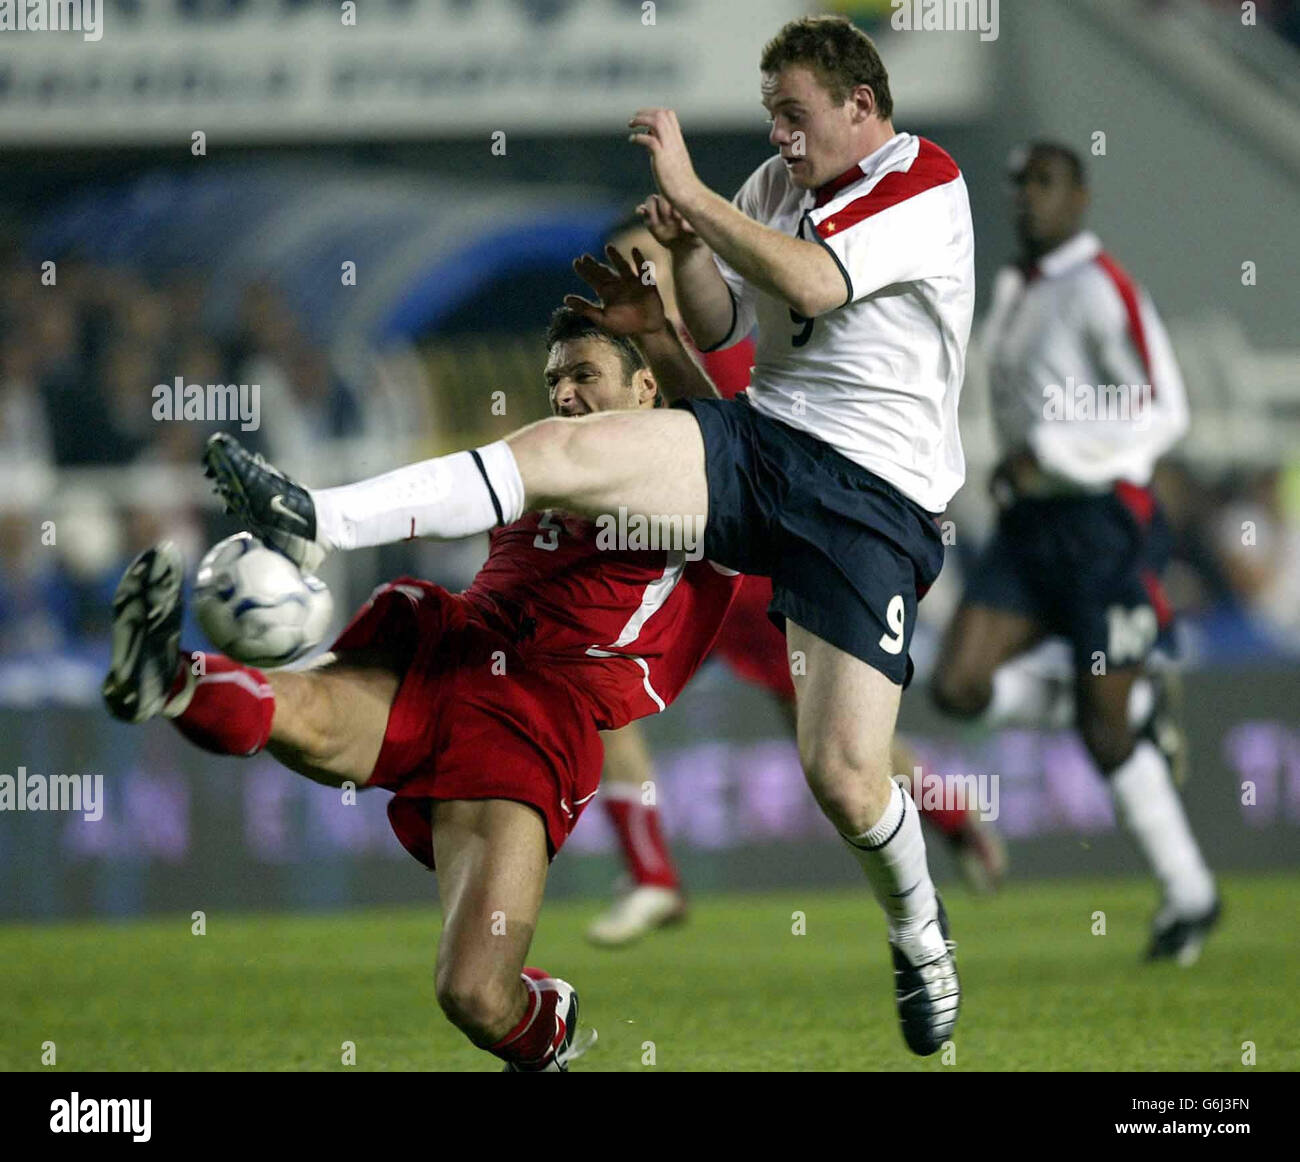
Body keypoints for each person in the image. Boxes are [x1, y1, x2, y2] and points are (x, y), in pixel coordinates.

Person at [203, 15, 973, 1055]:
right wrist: (686, 265)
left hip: (875, 499)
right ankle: (318, 516)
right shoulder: (776, 187)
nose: (782, 137)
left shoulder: (925, 180)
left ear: (861, 107)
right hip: (766, 446)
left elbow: (811, 284)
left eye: (795, 115)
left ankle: (919, 930)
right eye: (770, 118)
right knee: (562, 452)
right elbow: (725, 326)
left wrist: (694, 198)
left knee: (842, 772)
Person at [103, 308, 740, 1071]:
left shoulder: (700, 496)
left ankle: (547, 1030)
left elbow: (737, 452)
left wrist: (670, 342)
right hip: (453, 648)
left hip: (539, 716)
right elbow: (458, 494)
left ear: (644, 389)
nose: (565, 395)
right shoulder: (544, 468)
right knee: (293, 711)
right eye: (554, 381)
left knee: (474, 994)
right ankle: (167, 677)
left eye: (584, 376)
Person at [589, 221, 1003, 948]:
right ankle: (652, 876)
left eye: (650, 262)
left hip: (756, 576)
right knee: (602, 701)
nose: (642, 278)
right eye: (629, 266)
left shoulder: (735, 349)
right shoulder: (617, 370)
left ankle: (955, 820)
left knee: (838, 751)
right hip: (682, 570)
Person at [930, 141, 1219, 964]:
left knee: (1103, 740)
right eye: (1018, 183)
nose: (1027, 198)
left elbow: (1163, 411)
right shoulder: (1019, 286)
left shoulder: (1102, 288)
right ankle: (1128, 704)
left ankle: (1190, 893)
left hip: (1103, 528)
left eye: (1046, 184)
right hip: (1030, 531)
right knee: (956, 685)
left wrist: (1056, 451)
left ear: (1081, 195)